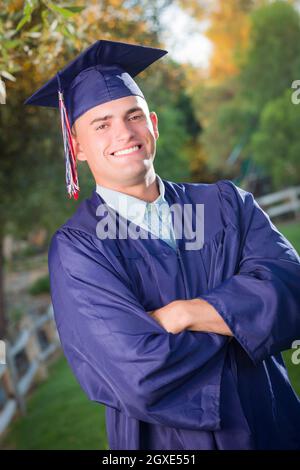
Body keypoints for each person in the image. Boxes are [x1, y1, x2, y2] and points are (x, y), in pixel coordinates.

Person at [25, 39, 300, 450]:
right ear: (77, 147)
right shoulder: (79, 248)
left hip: (276, 427)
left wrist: (181, 314)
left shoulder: (228, 204)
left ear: (152, 124)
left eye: (133, 115)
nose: (124, 132)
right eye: (101, 124)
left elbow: (291, 291)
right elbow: (139, 373)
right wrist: (246, 322)